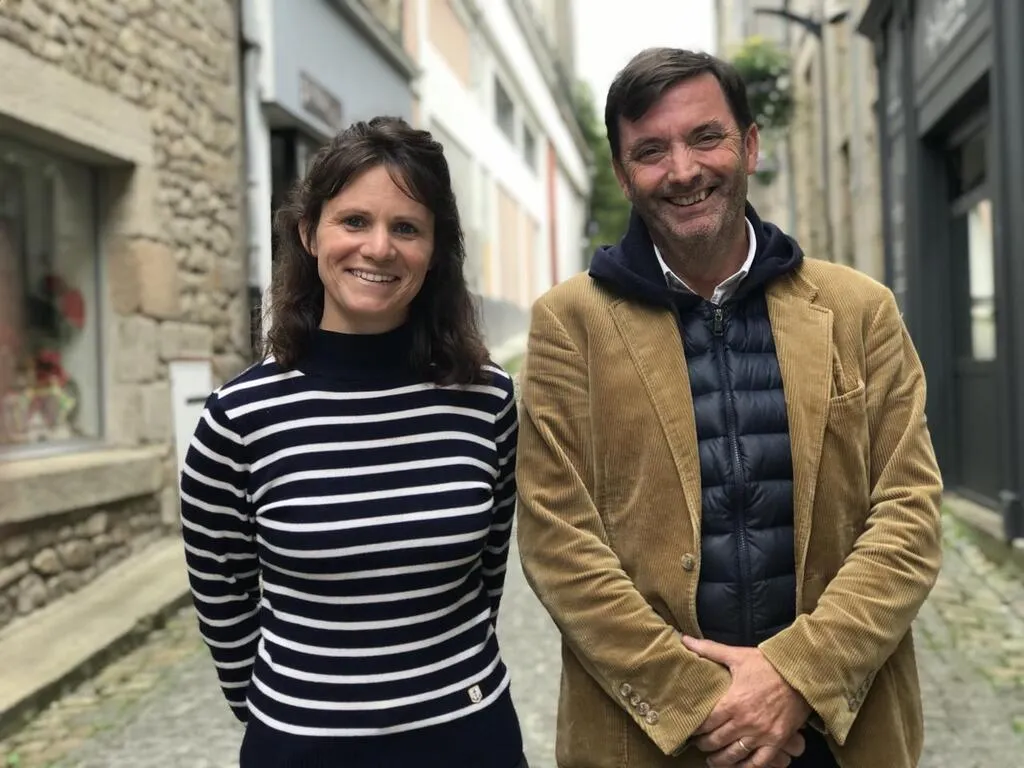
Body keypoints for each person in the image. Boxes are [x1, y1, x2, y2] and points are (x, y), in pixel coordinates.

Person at [515, 47, 943, 768]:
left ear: (748, 144)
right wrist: (706, 704)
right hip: (656, 738)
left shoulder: (857, 312)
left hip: (834, 735)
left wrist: (795, 678)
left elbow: (909, 515)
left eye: (705, 137)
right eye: (650, 151)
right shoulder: (570, 325)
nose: (682, 171)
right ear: (623, 174)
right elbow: (560, 544)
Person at [179, 116, 526, 768]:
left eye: (406, 228)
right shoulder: (239, 419)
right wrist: (294, 707)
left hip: (468, 735)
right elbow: (225, 605)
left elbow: (486, 578)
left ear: (434, 249)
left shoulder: (487, 401)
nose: (379, 247)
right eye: (354, 221)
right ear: (310, 234)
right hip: (302, 747)